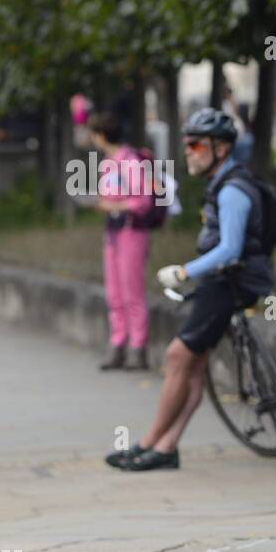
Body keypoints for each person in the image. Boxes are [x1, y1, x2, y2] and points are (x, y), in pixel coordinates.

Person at [106, 108, 276, 471]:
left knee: (177, 358)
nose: (189, 151)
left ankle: (150, 442)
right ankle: (166, 446)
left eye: (196, 144)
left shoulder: (232, 190)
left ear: (221, 149)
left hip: (231, 283)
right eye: (186, 145)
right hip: (228, 280)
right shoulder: (224, 182)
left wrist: (184, 272)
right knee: (193, 367)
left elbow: (230, 248)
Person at [86, 111, 155, 371]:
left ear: (102, 135)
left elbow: (143, 201)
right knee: (114, 292)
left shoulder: (130, 162)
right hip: (113, 232)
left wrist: (115, 205)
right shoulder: (108, 163)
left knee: (132, 291)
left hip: (131, 232)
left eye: (94, 135)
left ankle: (139, 346)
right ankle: (118, 342)